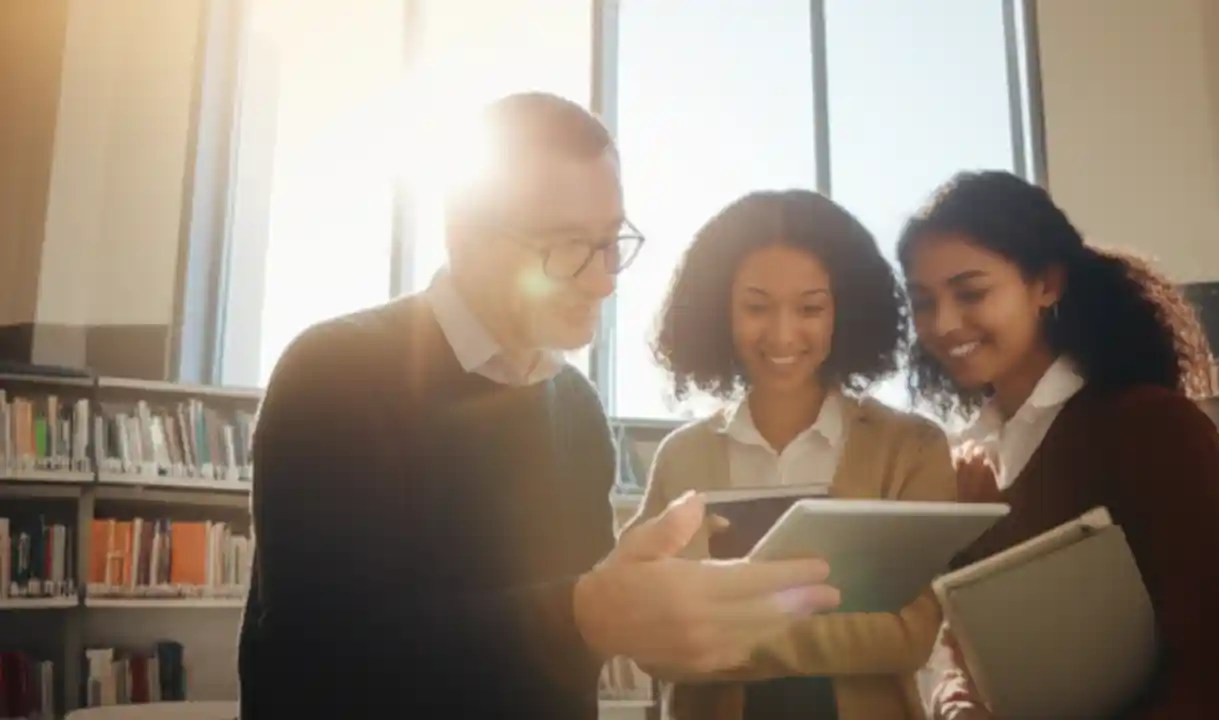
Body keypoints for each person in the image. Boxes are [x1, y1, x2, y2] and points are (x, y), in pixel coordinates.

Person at [236, 93, 841, 719]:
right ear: (464, 235)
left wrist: (643, 614)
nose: (604, 279)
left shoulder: (575, 409)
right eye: (567, 245)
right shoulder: (332, 373)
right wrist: (584, 615)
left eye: (611, 242)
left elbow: (560, 663)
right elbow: (315, 657)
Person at [898, 170, 1219, 719]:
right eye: (923, 301)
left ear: (1046, 285)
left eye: (971, 292)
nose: (944, 323)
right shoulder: (966, 464)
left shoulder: (1149, 428)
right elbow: (967, 651)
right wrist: (956, 702)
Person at [625, 190, 957, 720]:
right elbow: (649, 638)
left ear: (842, 310)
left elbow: (907, 636)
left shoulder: (911, 449)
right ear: (720, 311)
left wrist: (723, 633)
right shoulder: (682, 457)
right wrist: (834, 630)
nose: (782, 333)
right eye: (756, 307)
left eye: (810, 308)